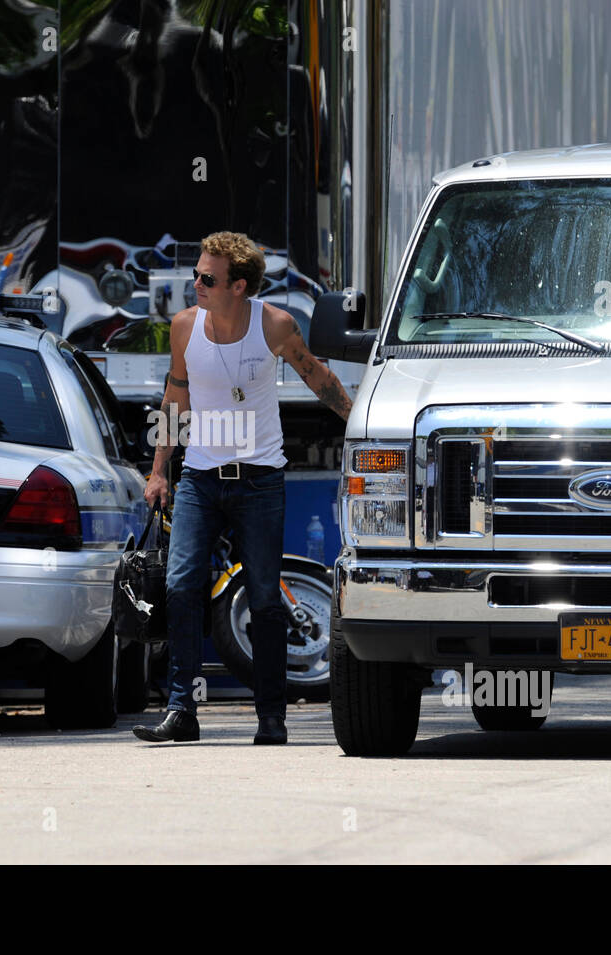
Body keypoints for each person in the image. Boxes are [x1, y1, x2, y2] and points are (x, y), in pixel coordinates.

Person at [131, 231, 353, 745]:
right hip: (200, 481)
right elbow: (174, 400)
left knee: (264, 600)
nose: (196, 285)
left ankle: (271, 717)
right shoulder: (185, 328)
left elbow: (317, 377)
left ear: (240, 286)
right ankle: (181, 709)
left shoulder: (274, 325)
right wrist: (160, 469)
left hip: (259, 480)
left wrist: (362, 421)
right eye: (196, 275)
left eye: (207, 278)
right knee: (181, 587)